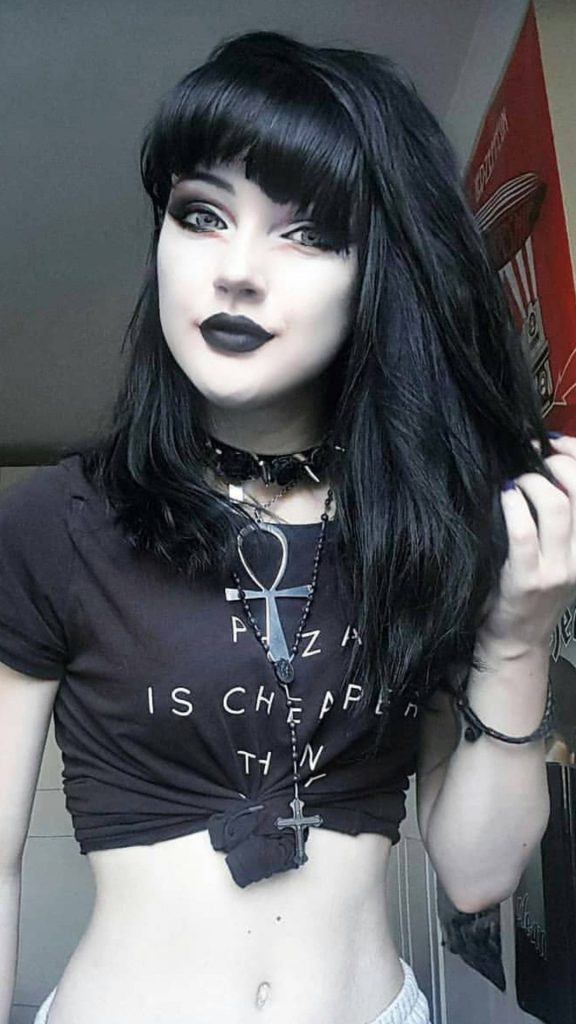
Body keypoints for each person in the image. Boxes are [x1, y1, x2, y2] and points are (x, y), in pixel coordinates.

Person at [1, 29, 575, 1024]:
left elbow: (479, 873)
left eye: (306, 233)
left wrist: (520, 634)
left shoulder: (427, 529)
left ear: (377, 274)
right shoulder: (58, 522)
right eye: (201, 214)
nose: (235, 271)